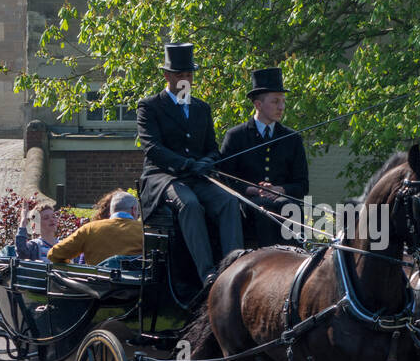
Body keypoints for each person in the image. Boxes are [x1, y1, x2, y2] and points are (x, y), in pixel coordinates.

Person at [136, 42, 243, 286]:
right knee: (190, 204)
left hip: (197, 176)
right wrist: (185, 164)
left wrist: (206, 161)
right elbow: (152, 148)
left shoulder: (201, 109)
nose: (185, 79)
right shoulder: (150, 106)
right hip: (163, 177)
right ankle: (207, 273)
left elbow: (212, 148)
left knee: (229, 201)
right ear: (167, 75)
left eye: (188, 75)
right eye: (179, 75)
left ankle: (235, 266)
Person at [218, 67, 309, 246]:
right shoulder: (236, 136)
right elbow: (224, 179)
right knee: (264, 208)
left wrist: (279, 190)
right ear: (258, 104)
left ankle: (297, 260)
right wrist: (253, 190)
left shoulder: (292, 139)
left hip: (283, 201)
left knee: (289, 207)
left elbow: (302, 185)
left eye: (283, 101)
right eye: (275, 101)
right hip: (248, 205)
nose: (281, 107)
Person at [47, 192, 144, 265]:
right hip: (133, 289)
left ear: (111, 210)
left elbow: (54, 254)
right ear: (134, 210)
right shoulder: (144, 232)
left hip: (96, 288)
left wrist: (74, 268)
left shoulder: (90, 228)